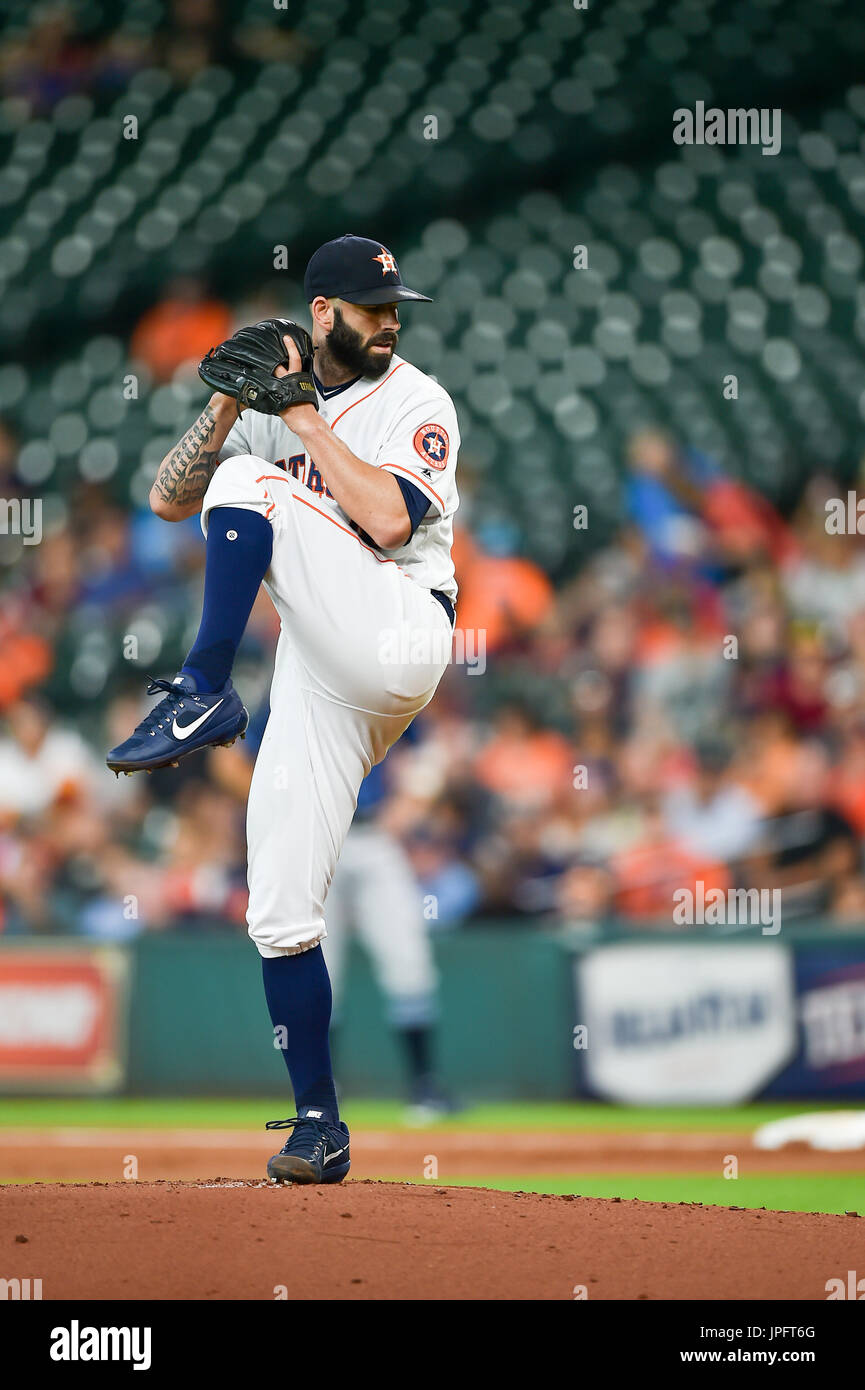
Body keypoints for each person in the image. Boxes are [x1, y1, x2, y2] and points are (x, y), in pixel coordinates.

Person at [106, 235, 459, 1183]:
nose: (389, 321)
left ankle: (201, 691)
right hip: (319, 667)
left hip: (399, 629)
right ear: (321, 313)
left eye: (394, 307)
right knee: (279, 907)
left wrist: (297, 418)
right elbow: (167, 498)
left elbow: (389, 523)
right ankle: (319, 1126)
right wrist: (227, 401)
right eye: (371, 306)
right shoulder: (270, 410)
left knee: (247, 481)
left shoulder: (417, 399)